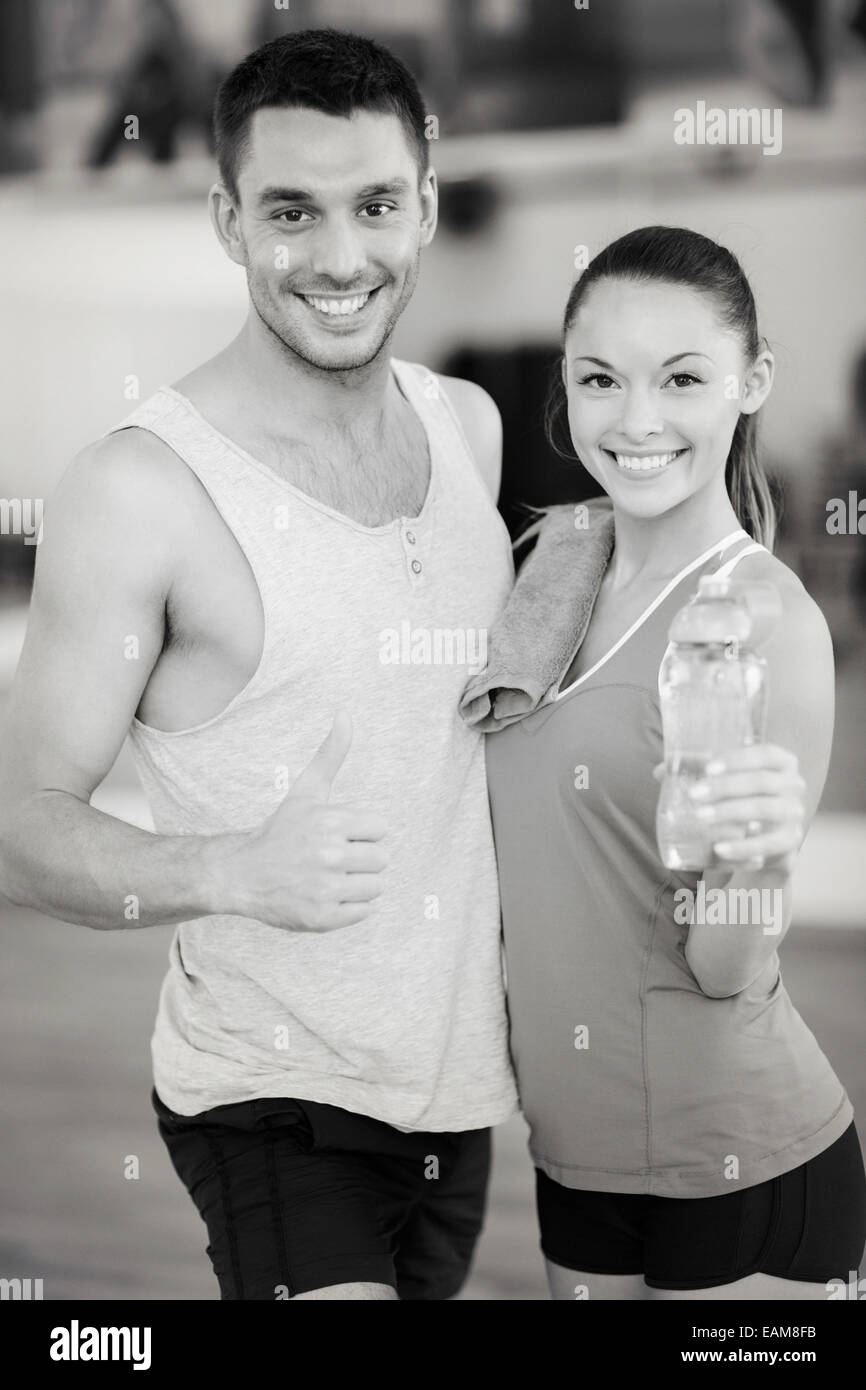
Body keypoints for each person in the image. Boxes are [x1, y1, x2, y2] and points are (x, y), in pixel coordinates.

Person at [0, 29, 527, 1301]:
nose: (340, 257)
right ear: (229, 219)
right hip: (271, 1090)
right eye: (291, 211)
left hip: (458, 1094)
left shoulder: (469, 429)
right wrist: (228, 868)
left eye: (374, 206)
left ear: (427, 208)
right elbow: (19, 824)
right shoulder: (140, 489)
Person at [482, 226, 866, 1300]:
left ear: (752, 382)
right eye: (599, 378)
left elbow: (723, 965)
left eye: (682, 378)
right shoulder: (549, 564)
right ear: (565, 383)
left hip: (741, 1163)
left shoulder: (758, 622)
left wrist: (751, 863)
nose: (635, 420)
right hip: (574, 1157)